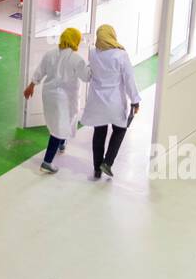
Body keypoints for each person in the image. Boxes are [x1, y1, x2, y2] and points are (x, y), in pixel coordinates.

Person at [23, 27, 90, 175]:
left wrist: (31, 85)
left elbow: (40, 70)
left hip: (49, 95)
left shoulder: (50, 54)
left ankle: (61, 144)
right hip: (65, 97)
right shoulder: (76, 58)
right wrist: (93, 66)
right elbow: (86, 77)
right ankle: (47, 162)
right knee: (60, 126)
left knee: (58, 122)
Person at [80, 24, 142, 181]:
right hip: (115, 103)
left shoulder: (93, 53)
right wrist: (135, 100)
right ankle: (107, 162)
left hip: (97, 102)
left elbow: (89, 73)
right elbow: (129, 79)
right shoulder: (121, 55)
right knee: (120, 130)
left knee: (99, 133)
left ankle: (96, 169)